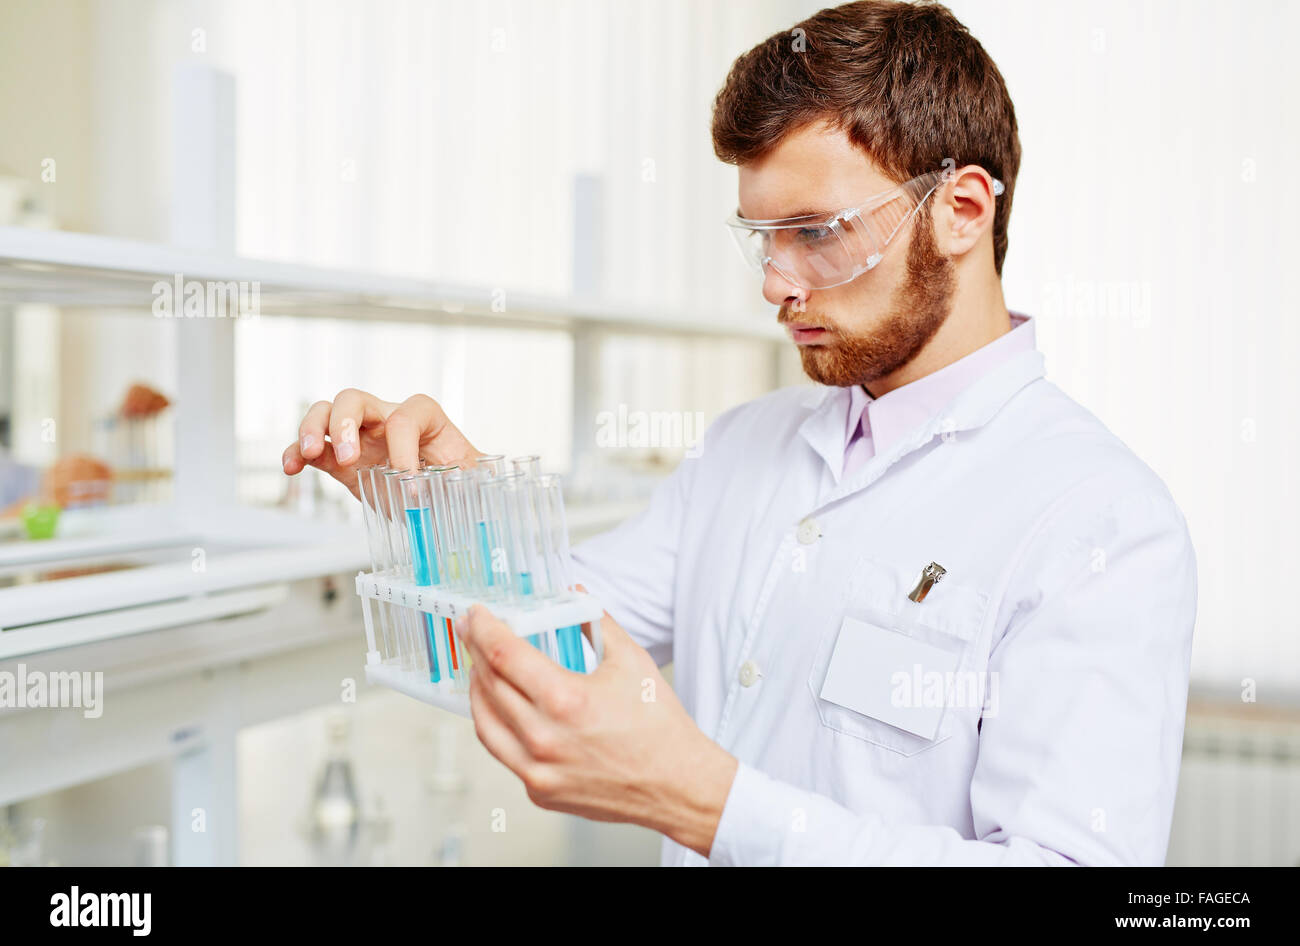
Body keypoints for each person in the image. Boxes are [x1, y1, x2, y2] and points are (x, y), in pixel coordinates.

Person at [282, 0, 1196, 866]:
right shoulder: (744, 447)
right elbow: (563, 627)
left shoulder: (1099, 521)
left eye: (816, 231)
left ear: (962, 211)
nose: (776, 284)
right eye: (763, 237)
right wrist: (445, 495)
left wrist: (709, 805)